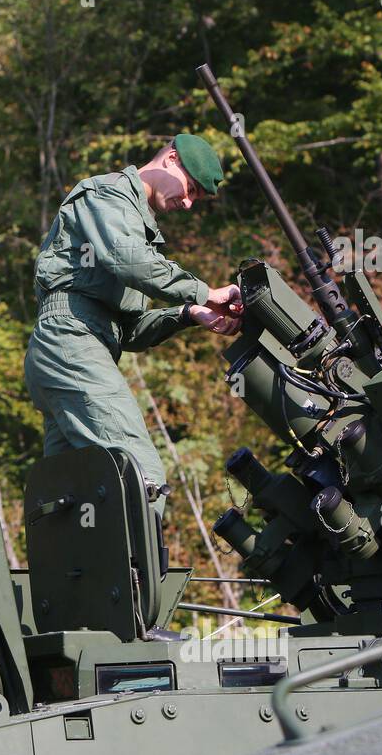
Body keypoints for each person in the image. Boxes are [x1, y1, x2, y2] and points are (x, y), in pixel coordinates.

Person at [24, 133, 243, 518]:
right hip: (70, 340)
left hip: (78, 347)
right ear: (171, 159)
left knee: (71, 501)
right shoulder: (107, 195)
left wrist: (190, 313)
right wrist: (207, 292)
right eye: (190, 188)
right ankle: (141, 577)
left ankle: (79, 576)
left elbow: (129, 331)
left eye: (195, 198)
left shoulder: (136, 228)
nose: (188, 203)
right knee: (138, 476)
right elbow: (130, 262)